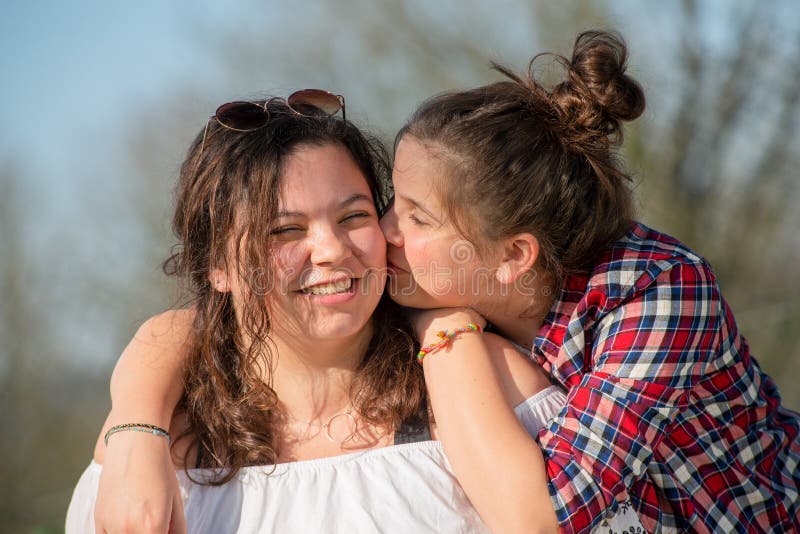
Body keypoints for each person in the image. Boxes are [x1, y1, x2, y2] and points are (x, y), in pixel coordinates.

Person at [65, 90, 568, 533]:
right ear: (216, 266)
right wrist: (137, 427)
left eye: (354, 216)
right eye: (284, 230)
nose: (331, 249)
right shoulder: (153, 458)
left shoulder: (495, 388)